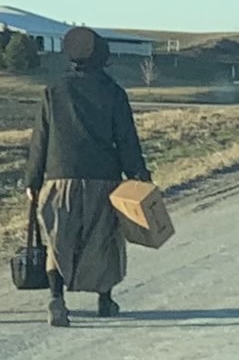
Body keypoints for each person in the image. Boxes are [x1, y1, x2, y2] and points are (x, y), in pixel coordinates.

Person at [25, 26, 151, 327]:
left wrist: (32, 180)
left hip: (59, 177)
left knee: (59, 240)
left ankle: (56, 298)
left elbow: (40, 138)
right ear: (102, 57)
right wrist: (139, 175)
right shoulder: (114, 92)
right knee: (103, 240)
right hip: (103, 178)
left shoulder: (54, 91)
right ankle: (104, 300)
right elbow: (127, 141)